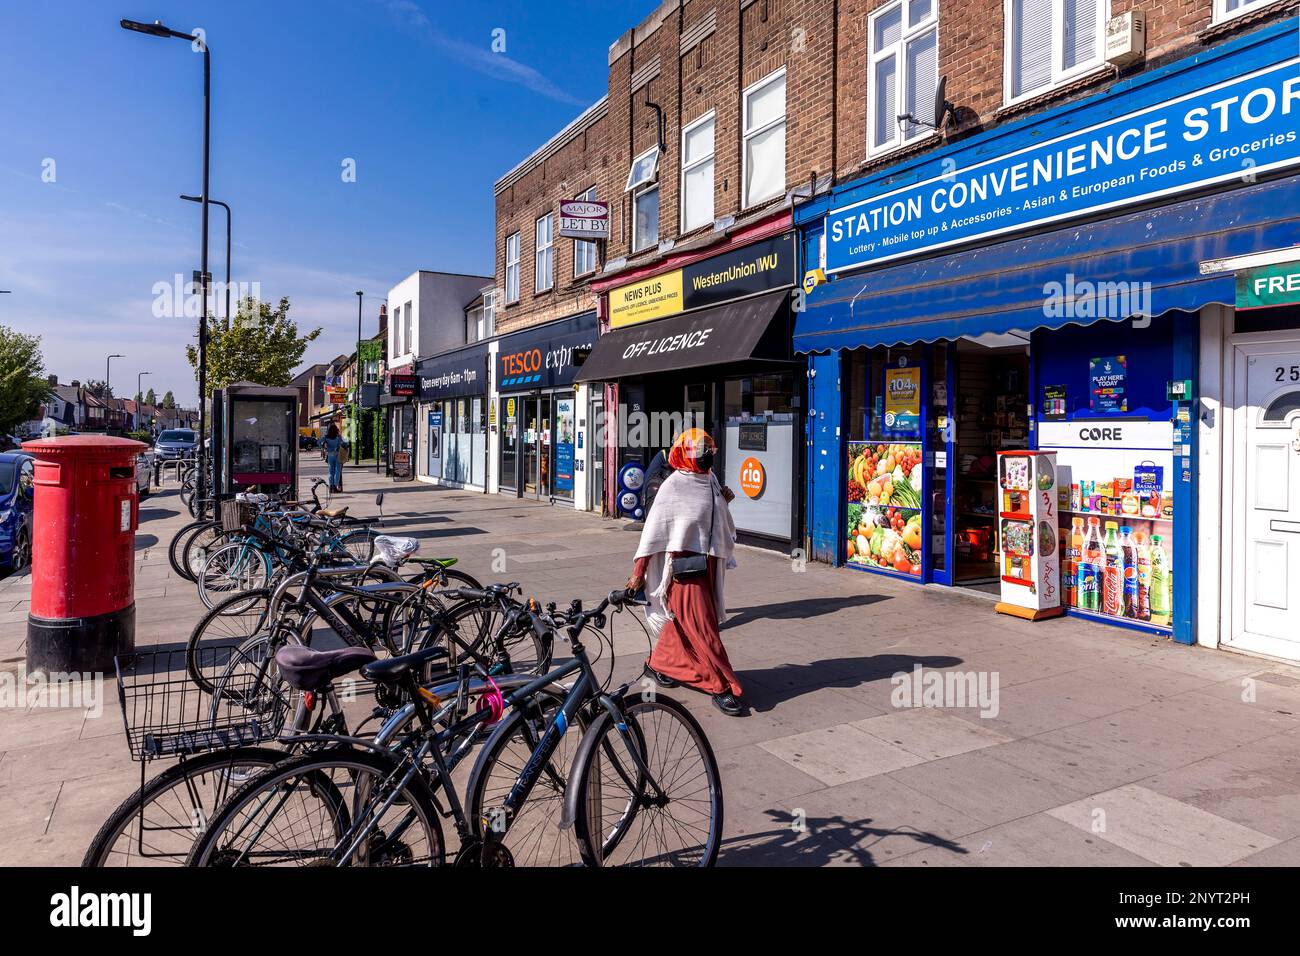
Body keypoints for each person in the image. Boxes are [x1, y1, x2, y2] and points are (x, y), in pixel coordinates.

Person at [625, 428, 744, 716]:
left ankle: (658, 663)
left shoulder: (710, 480)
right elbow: (652, 536)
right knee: (704, 628)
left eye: (708, 449)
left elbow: (713, 519)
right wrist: (637, 575)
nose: (705, 455)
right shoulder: (673, 486)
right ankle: (721, 685)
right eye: (699, 450)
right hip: (683, 574)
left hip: (707, 568)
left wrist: (724, 500)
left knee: (687, 627)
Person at [322, 423, 348, 494]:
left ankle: (331, 487)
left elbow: (319, 442)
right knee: (337, 471)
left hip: (330, 455)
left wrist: (325, 446)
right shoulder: (338, 437)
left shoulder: (326, 437)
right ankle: (335, 486)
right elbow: (345, 443)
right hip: (337, 455)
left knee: (331, 471)